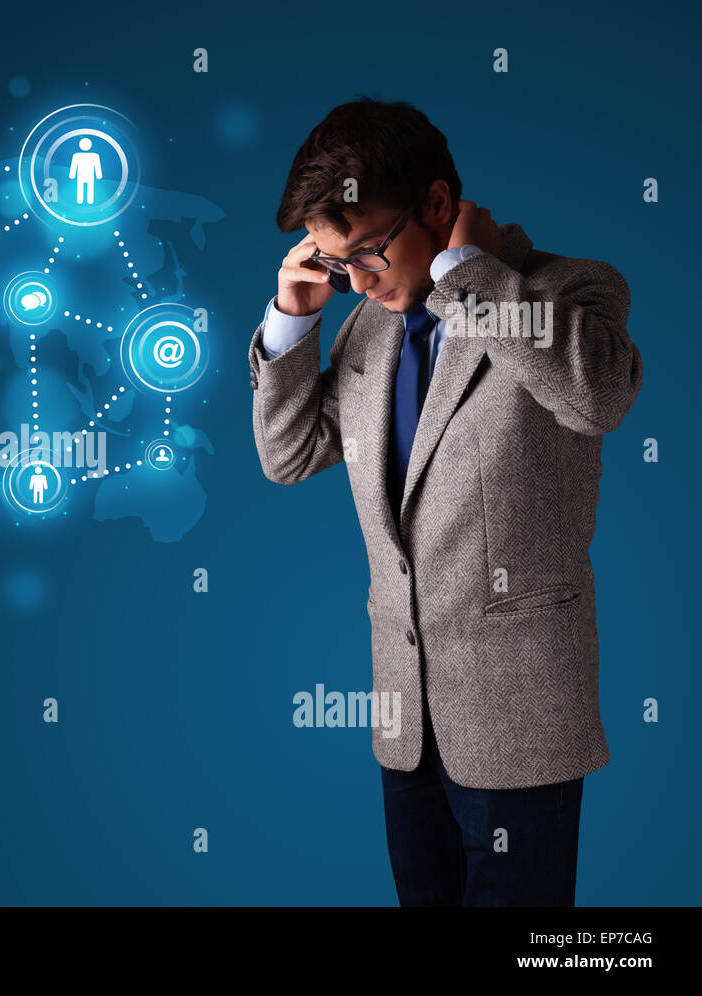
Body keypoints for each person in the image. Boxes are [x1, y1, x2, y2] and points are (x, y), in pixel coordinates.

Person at [248, 98, 643, 906]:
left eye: (366, 252)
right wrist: (293, 322)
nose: (355, 280)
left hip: (519, 718)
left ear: (437, 205)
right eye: (334, 264)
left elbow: (598, 397)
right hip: (405, 721)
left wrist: (468, 277)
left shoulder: (567, 290)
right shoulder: (366, 329)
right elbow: (288, 458)